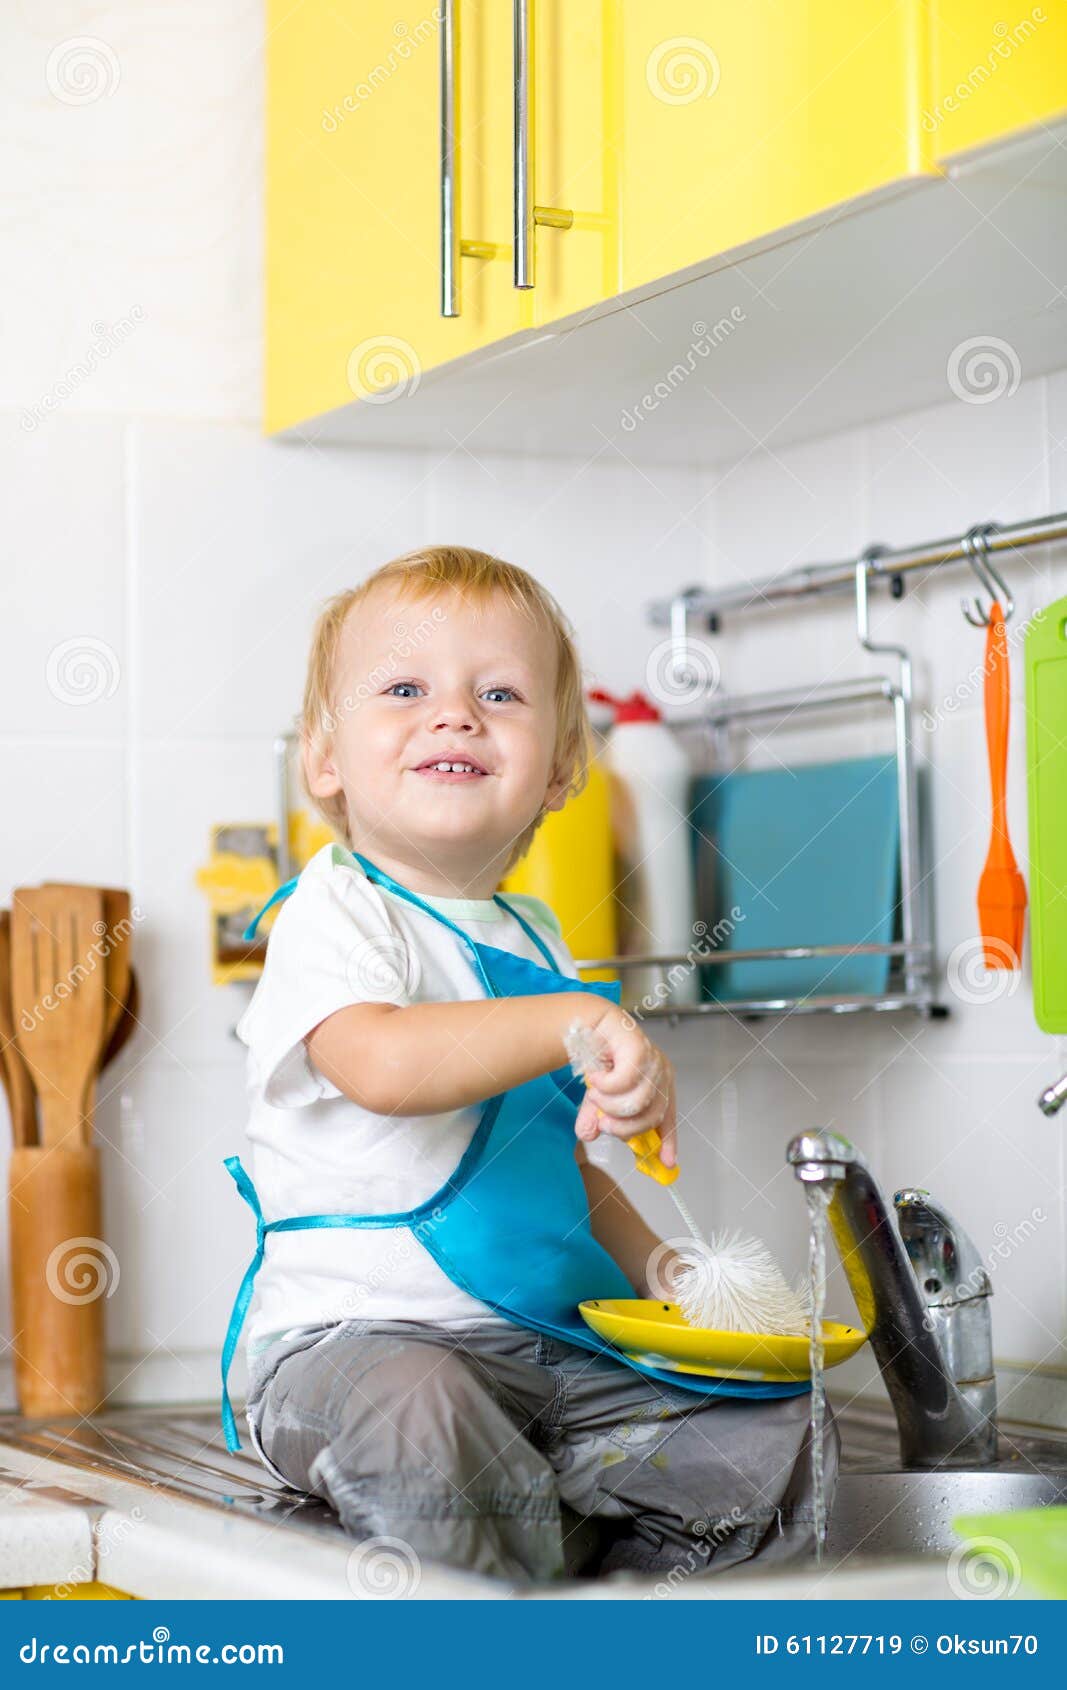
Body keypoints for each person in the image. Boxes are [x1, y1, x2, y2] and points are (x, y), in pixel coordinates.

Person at [222, 544, 837, 1586]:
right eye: (406, 689)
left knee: (776, 1430)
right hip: (352, 1351)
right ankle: (490, 1619)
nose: (454, 714)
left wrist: (661, 1270)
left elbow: (563, 1173)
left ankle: (588, 1572)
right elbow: (377, 1061)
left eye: (498, 693)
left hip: (545, 1359)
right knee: (421, 1408)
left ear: (557, 769)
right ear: (325, 761)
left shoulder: (540, 939)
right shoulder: (334, 909)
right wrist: (575, 1019)